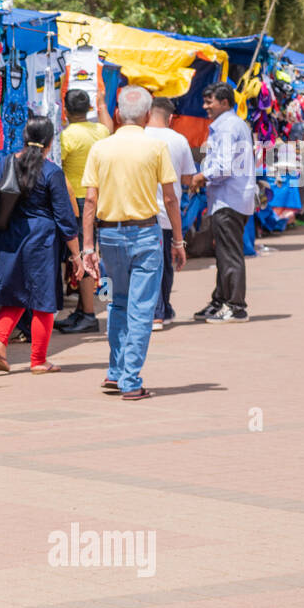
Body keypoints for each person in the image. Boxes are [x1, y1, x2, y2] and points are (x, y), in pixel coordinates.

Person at [79, 86, 186, 400]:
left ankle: (116, 372)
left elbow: (90, 202)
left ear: (116, 113)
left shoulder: (101, 148)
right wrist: (178, 241)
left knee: (118, 304)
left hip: (109, 237)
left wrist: (88, 248)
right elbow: (170, 198)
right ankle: (130, 380)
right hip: (145, 236)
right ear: (146, 115)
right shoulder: (154, 148)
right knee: (141, 308)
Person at [0, 116, 81, 373]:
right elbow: (65, 219)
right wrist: (77, 256)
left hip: (9, 240)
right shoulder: (52, 172)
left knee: (15, 296)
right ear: (49, 142)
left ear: (24, 138)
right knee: (43, 300)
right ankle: (38, 361)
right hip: (42, 242)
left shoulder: (6, 164)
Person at [192, 83, 257, 324]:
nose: (205, 106)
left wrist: (200, 177)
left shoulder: (228, 127)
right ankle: (220, 300)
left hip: (230, 199)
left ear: (225, 103)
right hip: (227, 198)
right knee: (224, 253)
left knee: (229, 254)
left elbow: (224, 166)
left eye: (210, 102)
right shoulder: (227, 125)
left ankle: (236, 306)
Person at [55, 82, 115, 334]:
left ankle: (89, 314)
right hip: (99, 199)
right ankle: (82, 309)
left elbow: (58, 168)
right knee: (87, 253)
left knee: (81, 255)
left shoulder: (66, 136)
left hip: (77, 203)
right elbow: (110, 129)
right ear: (88, 108)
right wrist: (102, 103)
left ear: (66, 111)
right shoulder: (101, 131)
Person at [144, 97, 197, 329]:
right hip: (166, 212)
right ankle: (160, 310)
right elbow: (186, 179)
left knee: (142, 265)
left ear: (148, 113)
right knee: (164, 264)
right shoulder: (179, 140)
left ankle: (154, 310)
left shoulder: (137, 137)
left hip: (137, 213)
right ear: (171, 117)